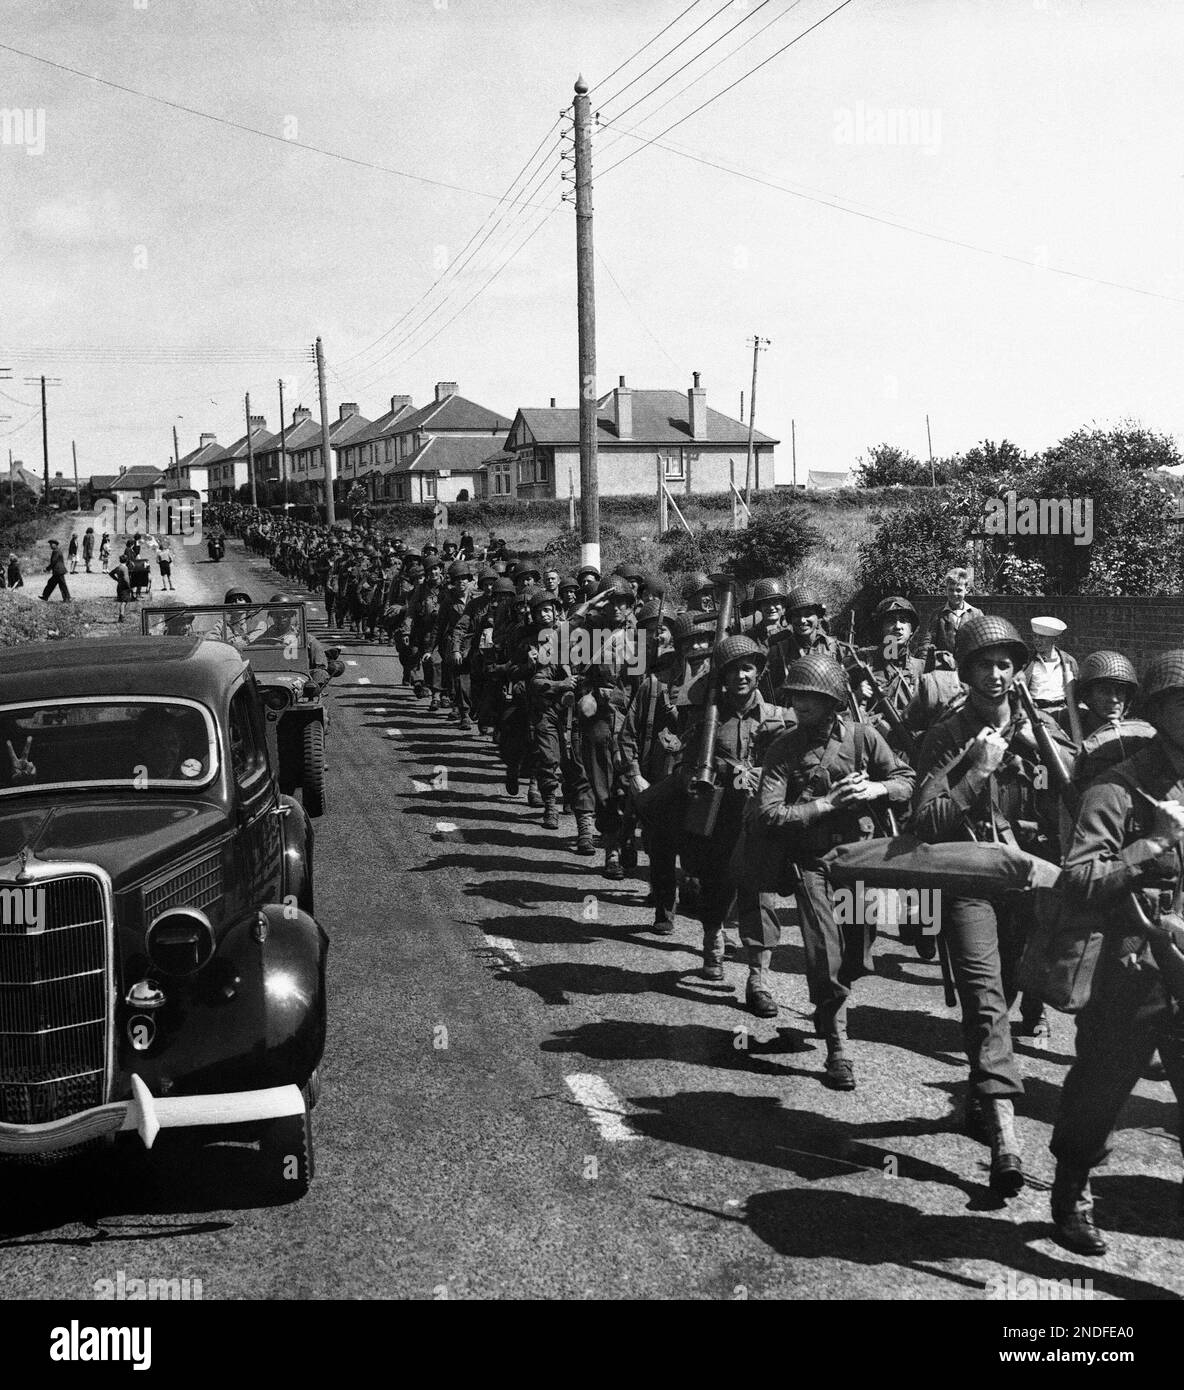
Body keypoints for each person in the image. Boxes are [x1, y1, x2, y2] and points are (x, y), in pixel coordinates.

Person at [911, 614, 1073, 1195]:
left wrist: (1041, 748)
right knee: (984, 998)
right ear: (966, 670)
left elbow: (1085, 794)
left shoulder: (1045, 727)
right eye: (985, 664)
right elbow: (925, 821)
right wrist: (977, 770)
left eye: (1007, 663)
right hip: (969, 879)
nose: (998, 674)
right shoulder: (948, 733)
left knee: (1006, 993)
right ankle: (1007, 1137)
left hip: (1031, 882)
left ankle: (984, 1095)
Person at [1049, 650, 1184, 1255]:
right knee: (1100, 1090)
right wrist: (1150, 848)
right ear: (1158, 712)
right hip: (1131, 968)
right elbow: (1078, 878)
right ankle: (1072, 1186)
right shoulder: (1117, 787)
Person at [751, 654, 914, 1083]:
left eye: (812, 696)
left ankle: (829, 1005)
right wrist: (826, 804)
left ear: (833, 700)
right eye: (795, 696)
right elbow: (767, 813)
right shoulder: (784, 747)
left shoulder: (864, 738)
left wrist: (877, 787)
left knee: (856, 957)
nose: (800, 704)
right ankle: (838, 1048)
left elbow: (906, 780)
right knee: (825, 951)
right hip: (810, 862)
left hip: (860, 860)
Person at [1024, 615, 1077, 715]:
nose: (1037, 640)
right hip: (1037, 712)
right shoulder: (1028, 662)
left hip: (1063, 712)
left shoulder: (1068, 661)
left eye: (1041, 637)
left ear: (1055, 640)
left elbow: (1076, 691)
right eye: (1034, 636)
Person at [925, 568, 983, 659]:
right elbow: (928, 642)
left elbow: (982, 643)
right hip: (943, 668)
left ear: (966, 590)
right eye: (951, 590)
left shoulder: (976, 614)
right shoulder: (938, 614)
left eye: (959, 590)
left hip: (968, 666)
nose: (954, 594)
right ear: (946, 590)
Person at [109, 554, 135, 623]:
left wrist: (117, 579)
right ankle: (121, 616)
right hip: (125, 586)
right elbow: (126, 578)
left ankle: (121, 616)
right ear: (126, 561)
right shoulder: (125, 568)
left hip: (119, 585)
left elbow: (111, 573)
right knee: (124, 602)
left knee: (122, 601)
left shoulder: (118, 567)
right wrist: (129, 587)